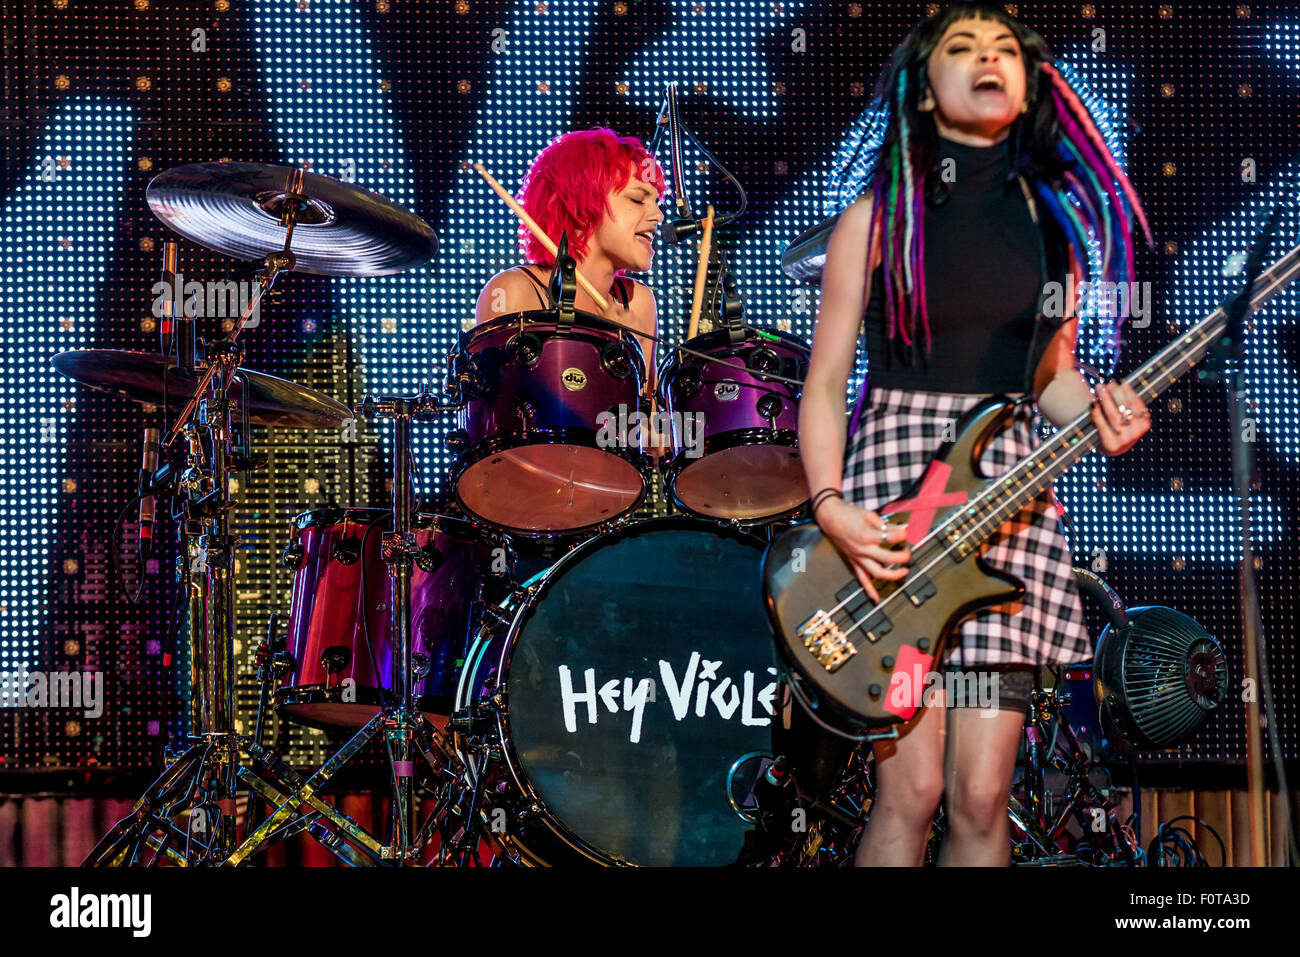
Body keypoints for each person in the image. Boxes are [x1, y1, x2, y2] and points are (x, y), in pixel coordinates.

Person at [798, 3, 1153, 866]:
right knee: (911, 790)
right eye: (963, 47)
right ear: (924, 90)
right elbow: (824, 384)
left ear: (1028, 82)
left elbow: (1049, 380)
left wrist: (1104, 413)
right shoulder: (874, 220)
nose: (988, 59)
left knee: (982, 796)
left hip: (1009, 512)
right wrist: (832, 505)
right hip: (901, 518)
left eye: (1004, 49)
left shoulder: (1051, 230)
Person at [474, 128, 666, 398]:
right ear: (580, 202)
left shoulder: (637, 302)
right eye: (637, 199)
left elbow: (644, 425)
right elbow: (505, 422)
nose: (658, 215)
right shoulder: (514, 290)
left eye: (656, 202)